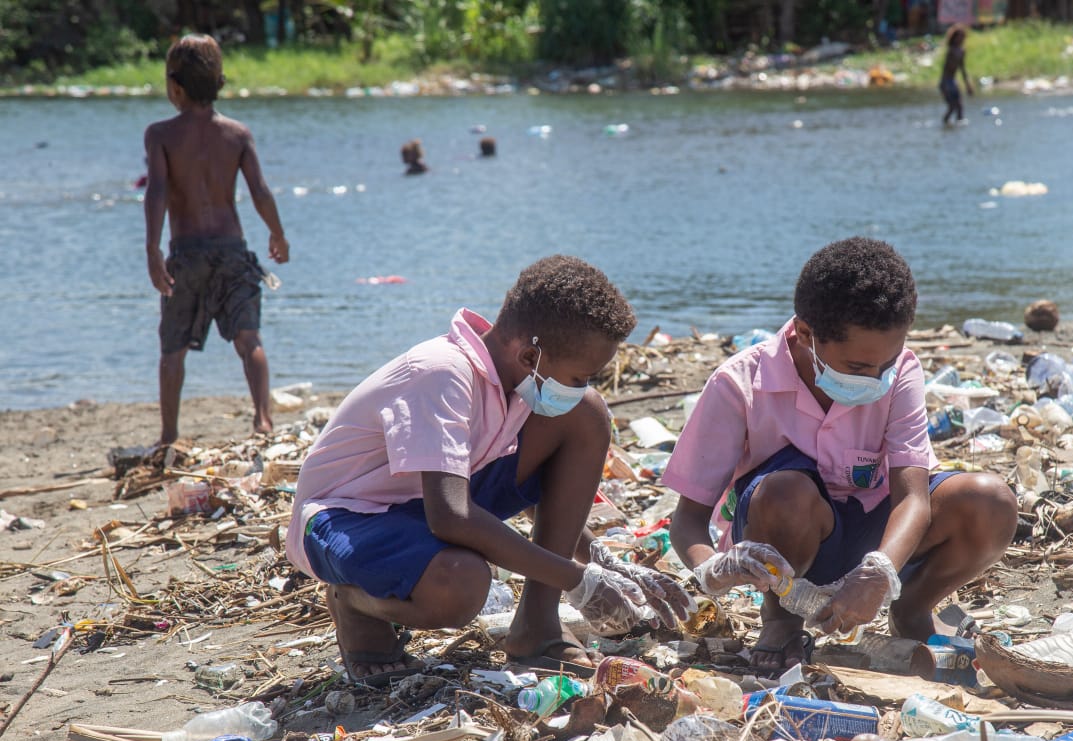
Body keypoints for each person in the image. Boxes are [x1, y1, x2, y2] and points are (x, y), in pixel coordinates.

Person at [285, 256, 692, 684]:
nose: (579, 387)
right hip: (345, 519)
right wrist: (580, 580)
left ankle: (536, 626)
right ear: (531, 354)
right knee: (461, 585)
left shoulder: (515, 381)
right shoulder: (441, 372)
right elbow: (451, 515)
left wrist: (603, 560)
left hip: (421, 505)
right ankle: (353, 604)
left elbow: (540, 497)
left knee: (586, 416)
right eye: (578, 376)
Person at [663, 237, 1018, 671]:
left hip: (878, 534)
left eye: (886, 363)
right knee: (786, 489)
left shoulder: (900, 370)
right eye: (858, 368)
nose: (877, 377)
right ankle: (781, 620)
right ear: (807, 333)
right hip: (784, 548)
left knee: (990, 501)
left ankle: (911, 607)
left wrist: (881, 572)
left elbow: (912, 497)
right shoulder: (738, 384)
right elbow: (687, 521)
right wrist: (711, 568)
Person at [143, 34, 289, 445]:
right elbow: (260, 191)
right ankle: (263, 420)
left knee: (173, 350)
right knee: (248, 338)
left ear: (175, 86)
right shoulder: (238, 133)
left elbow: (156, 192)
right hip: (232, 252)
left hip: (186, 254)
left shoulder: (160, 135)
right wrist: (278, 234)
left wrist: (153, 249)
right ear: (220, 82)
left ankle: (169, 434)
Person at [939, 25, 973, 126]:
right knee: (952, 106)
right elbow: (947, 69)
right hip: (946, 82)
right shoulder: (951, 51)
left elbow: (962, 69)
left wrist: (968, 85)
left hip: (953, 81)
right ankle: (945, 123)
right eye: (958, 36)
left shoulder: (962, 51)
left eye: (962, 36)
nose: (960, 39)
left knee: (960, 107)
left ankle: (959, 126)